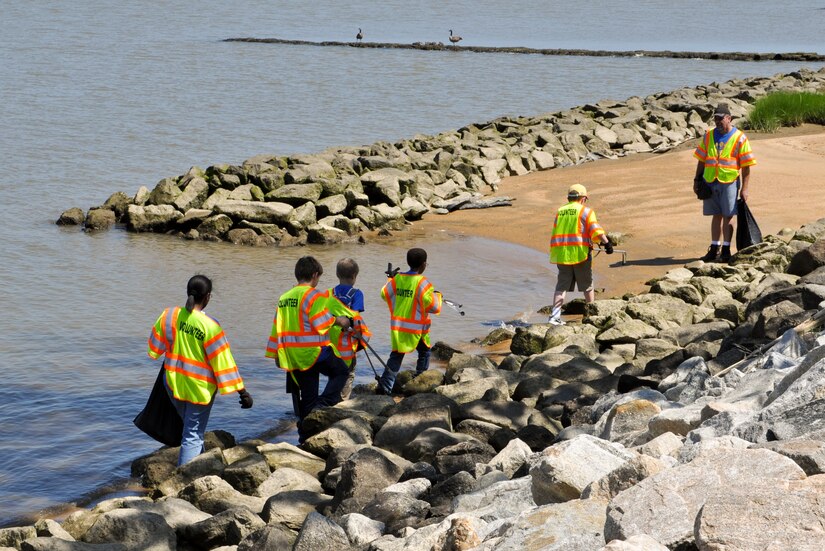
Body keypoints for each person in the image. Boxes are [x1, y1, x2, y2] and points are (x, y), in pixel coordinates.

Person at [147, 275, 253, 466]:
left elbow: (155, 347)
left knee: (190, 430)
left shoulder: (169, 315)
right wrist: (242, 392)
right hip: (198, 388)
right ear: (208, 297)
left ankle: (200, 467)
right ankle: (186, 479)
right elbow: (224, 362)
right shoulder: (210, 326)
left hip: (172, 383)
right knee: (192, 434)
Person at [265, 256, 351, 443]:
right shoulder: (314, 295)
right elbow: (321, 322)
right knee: (341, 372)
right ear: (314, 275)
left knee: (307, 395)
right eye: (318, 277)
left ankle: (304, 437)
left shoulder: (284, 298)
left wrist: (275, 354)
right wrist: (340, 321)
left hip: (292, 354)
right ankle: (322, 406)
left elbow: (276, 327)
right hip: (313, 352)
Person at [693, 102, 756, 263]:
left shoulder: (739, 137)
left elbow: (747, 167)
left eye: (720, 119)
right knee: (716, 215)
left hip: (729, 182)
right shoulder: (709, 136)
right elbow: (701, 159)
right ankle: (714, 248)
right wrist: (697, 179)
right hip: (710, 181)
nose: (718, 122)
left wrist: (745, 189)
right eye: (715, 119)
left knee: (728, 216)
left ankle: (726, 250)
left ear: (729, 118)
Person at [376, 247, 442, 395]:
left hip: (399, 328)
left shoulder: (398, 278)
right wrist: (438, 295)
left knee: (396, 356)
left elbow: (384, 294)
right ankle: (420, 380)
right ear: (423, 264)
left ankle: (385, 387)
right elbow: (433, 306)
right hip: (417, 329)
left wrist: (391, 278)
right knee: (424, 352)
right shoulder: (423, 282)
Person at [548, 184, 612, 325]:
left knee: (561, 286)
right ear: (583, 198)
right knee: (587, 285)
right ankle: (591, 314)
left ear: (569, 197)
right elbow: (595, 230)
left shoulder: (561, 211)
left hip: (562, 254)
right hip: (580, 254)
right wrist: (607, 243)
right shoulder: (586, 211)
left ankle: (554, 316)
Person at [329, 258, 370, 401]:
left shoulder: (328, 294)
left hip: (330, 344)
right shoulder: (357, 294)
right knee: (349, 373)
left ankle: (332, 397)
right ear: (354, 276)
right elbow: (355, 318)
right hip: (347, 344)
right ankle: (343, 402)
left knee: (333, 373)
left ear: (336, 274)